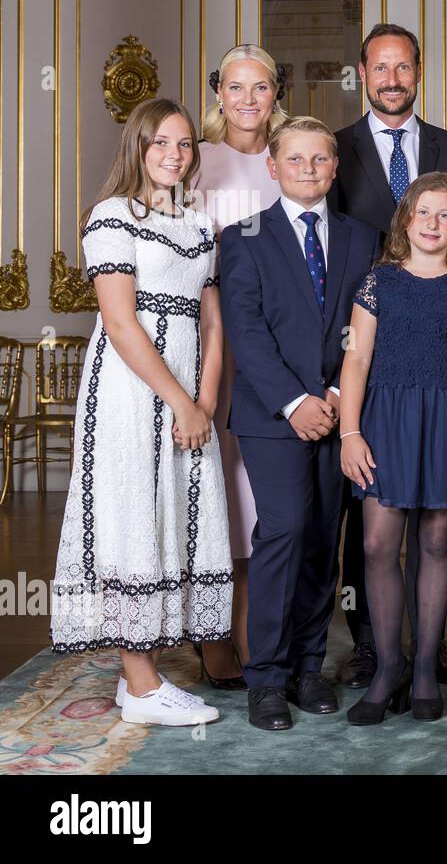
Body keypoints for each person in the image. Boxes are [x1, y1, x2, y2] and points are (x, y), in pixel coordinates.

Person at [49, 98, 229, 726]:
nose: (174, 155)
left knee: (173, 517)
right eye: (161, 143)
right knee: (132, 518)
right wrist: (179, 398)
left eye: (184, 144)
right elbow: (121, 324)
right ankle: (143, 686)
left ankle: (141, 683)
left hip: (188, 393)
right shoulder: (110, 218)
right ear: (138, 147)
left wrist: (204, 400)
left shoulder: (202, 226)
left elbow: (211, 322)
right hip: (129, 392)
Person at [329, 22, 447, 691]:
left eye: (404, 67)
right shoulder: (334, 151)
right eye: (380, 67)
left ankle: (428, 650)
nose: (392, 78)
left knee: (435, 525)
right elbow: (334, 255)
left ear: (418, 72)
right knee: (369, 527)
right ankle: (374, 649)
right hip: (366, 356)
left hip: (444, 360)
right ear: (362, 72)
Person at [220, 116, 381, 731]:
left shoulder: (362, 237)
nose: (308, 169)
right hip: (272, 416)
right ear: (273, 166)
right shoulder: (244, 237)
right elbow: (247, 331)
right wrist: (296, 402)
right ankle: (266, 676)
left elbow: (367, 328)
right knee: (283, 532)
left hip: (341, 411)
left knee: (321, 539)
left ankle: (309, 668)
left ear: (334, 168)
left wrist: (339, 394)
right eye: (296, 160)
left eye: (320, 160)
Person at [340, 172, 447, 724]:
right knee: (379, 545)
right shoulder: (377, 283)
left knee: (436, 543)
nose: (433, 224)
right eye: (424, 212)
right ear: (406, 218)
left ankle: (427, 666)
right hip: (384, 422)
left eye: (445, 215)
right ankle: (389, 668)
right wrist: (349, 431)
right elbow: (356, 360)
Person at [189, 43, 289, 691]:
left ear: (276, 94)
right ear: (218, 93)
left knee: (256, 492)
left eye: (260, 88)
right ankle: (210, 637)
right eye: (235, 87)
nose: (248, 100)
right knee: (210, 486)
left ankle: (252, 628)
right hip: (205, 345)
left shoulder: (289, 159)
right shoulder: (194, 158)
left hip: (272, 348)